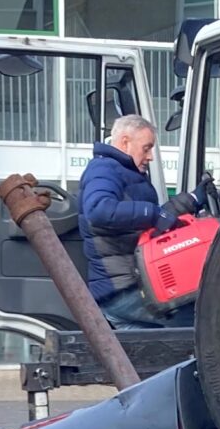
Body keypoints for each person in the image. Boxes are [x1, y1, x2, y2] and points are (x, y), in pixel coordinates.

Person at [77, 114, 192, 330]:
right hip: (123, 289)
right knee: (201, 317)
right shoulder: (103, 170)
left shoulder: (122, 172)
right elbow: (99, 209)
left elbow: (145, 221)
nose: (150, 157)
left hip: (125, 287)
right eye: (146, 148)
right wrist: (153, 214)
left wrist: (189, 201)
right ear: (125, 142)